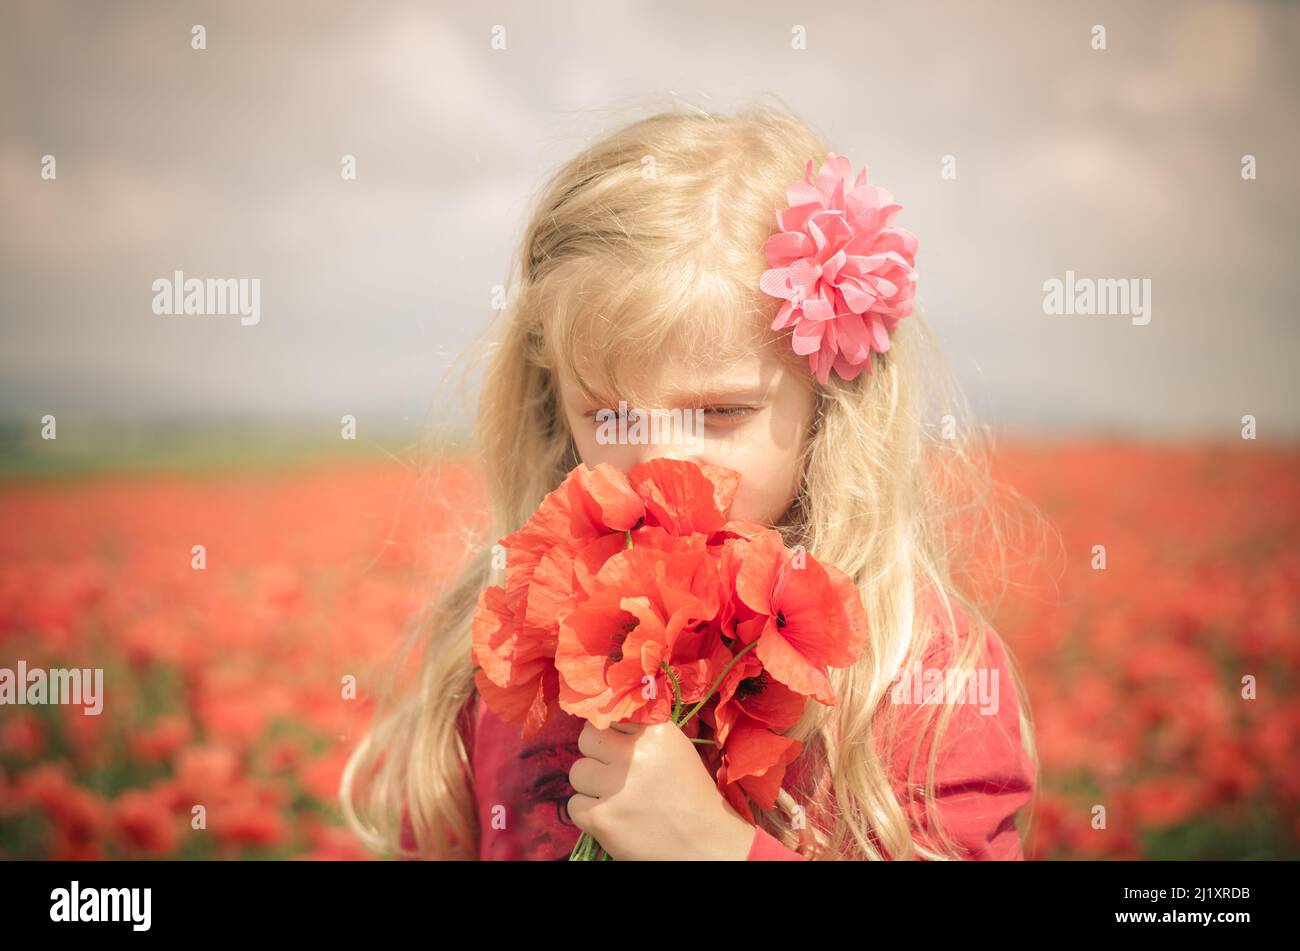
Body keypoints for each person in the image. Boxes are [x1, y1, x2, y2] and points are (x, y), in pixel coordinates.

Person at [341, 102, 1041, 861]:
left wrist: (709, 847)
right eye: (608, 414)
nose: (656, 465)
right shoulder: (509, 649)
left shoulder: (923, 678)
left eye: (719, 410)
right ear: (554, 402)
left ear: (828, 400)